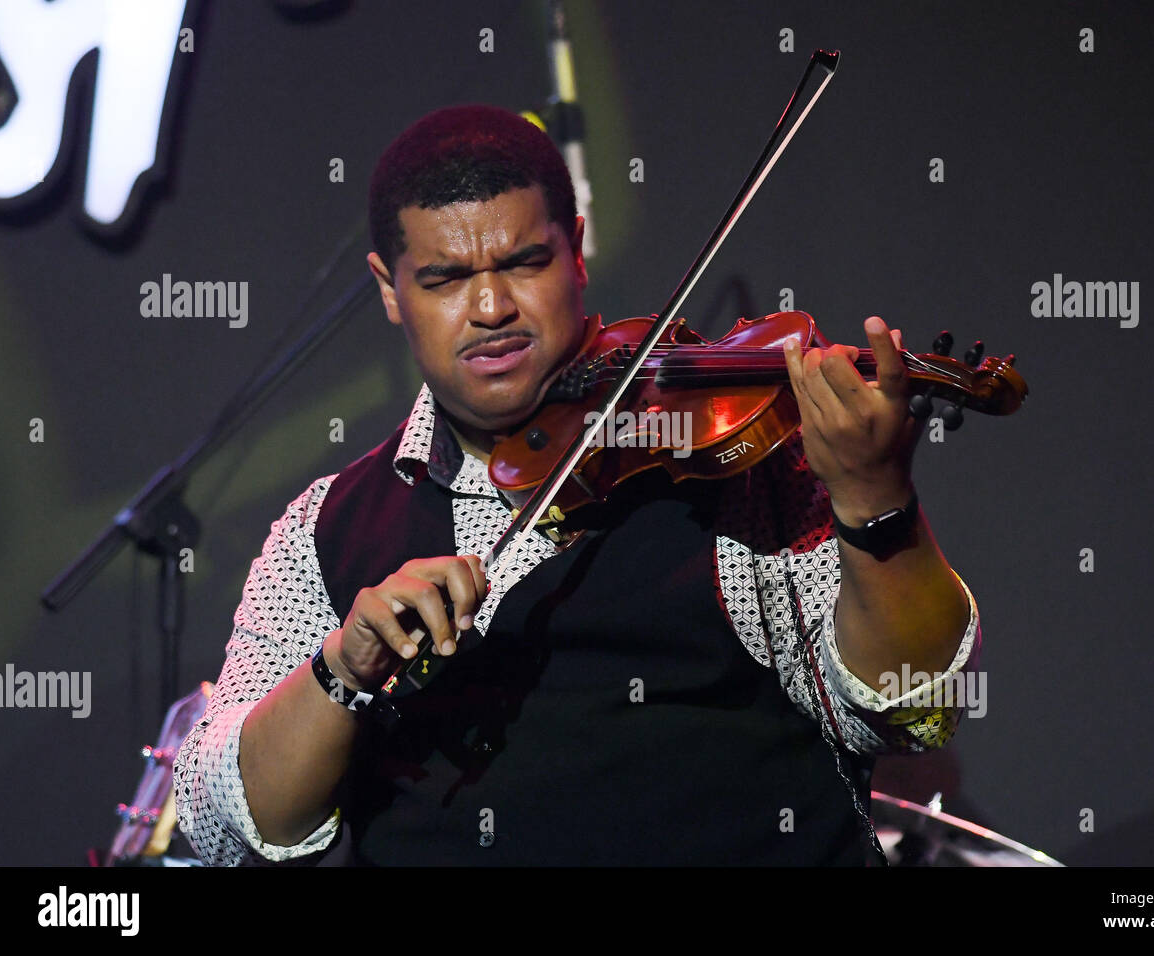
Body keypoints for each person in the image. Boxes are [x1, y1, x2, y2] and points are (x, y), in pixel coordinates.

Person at [173, 105, 979, 866]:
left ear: (577, 250)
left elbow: (908, 711)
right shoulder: (324, 529)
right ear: (390, 289)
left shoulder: (733, 460)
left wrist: (874, 500)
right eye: (445, 279)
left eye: (524, 262)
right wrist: (341, 672)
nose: (491, 307)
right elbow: (221, 828)